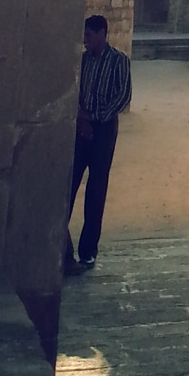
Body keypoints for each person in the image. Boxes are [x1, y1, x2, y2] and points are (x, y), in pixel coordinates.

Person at [64, 14, 132, 273]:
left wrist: (96, 118)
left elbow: (123, 95)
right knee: (69, 184)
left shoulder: (118, 61)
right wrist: (82, 118)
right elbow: (74, 91)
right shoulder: (82, 62)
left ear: (102, 34)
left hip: (103, 131)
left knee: (96, 189)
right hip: (82, 128)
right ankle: (62, 247)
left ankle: (88, 251)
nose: (85, 40)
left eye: (89, 35)